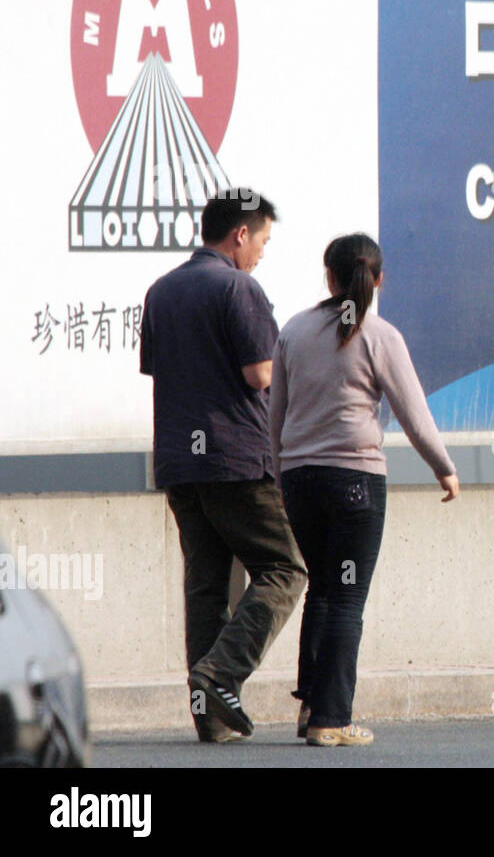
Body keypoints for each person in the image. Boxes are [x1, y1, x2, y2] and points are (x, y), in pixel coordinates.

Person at [270, 233, 459, 746]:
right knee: (346, 598)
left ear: (328, 277)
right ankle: (333, 719)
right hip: (355, 482)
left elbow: (276, 414)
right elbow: (413, 414)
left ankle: (312, 708)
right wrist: (444, 467)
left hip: (301, 480)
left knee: (324, 590)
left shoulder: (293, 331)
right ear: (378, 279)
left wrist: (280, 471)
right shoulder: (380, 336)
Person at [139, 188, 307, 743]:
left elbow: (158, 369)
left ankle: (209, 718)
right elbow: (262, 373)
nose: (261, 252)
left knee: (206, 587)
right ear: (240, 234)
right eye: (261, 240)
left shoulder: (161, 291)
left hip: (179, 464)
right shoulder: (239, 287)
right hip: (233, 456)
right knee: (285, 569)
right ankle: (218, 675)